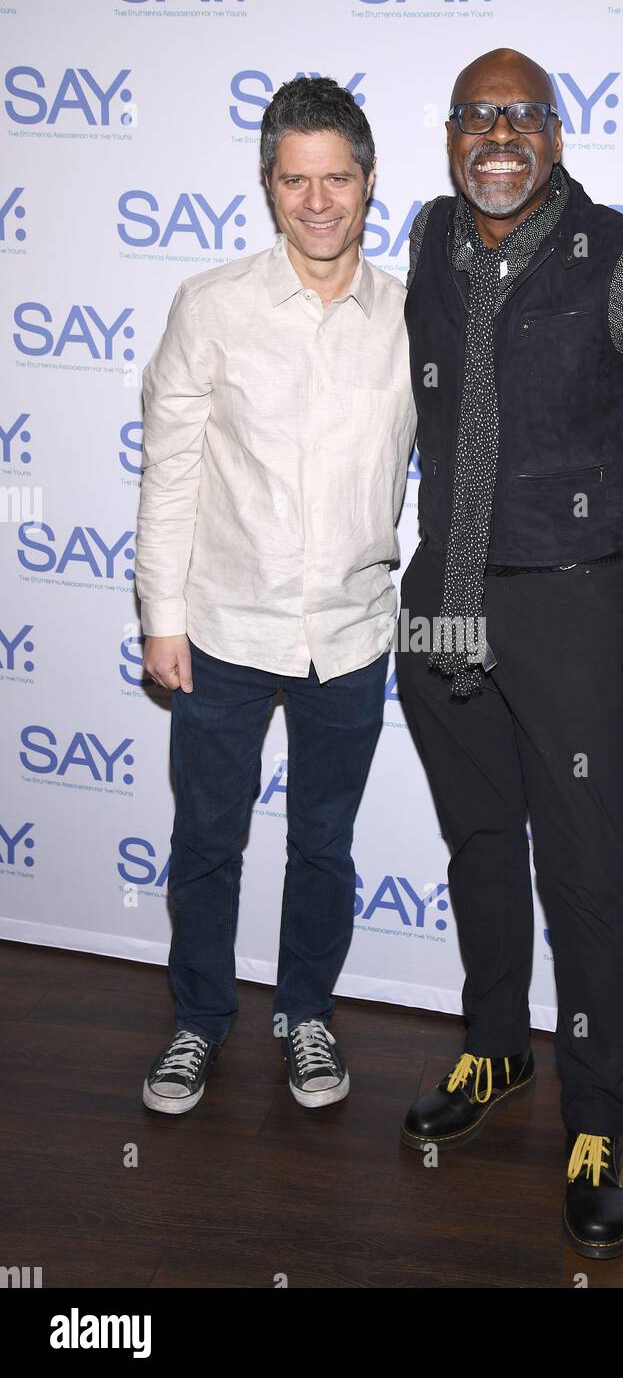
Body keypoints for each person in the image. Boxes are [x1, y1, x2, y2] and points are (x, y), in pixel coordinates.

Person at [395, 48, 623, 1258]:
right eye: (476, 115)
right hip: (439, 596)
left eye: (520, 116)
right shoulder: (429, 235)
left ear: (556, 135)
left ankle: (596, 1119)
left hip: (578, 605)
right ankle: (494, 1048)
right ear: (448, 136)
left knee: (581, 868)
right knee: (479, 841)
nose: (497, 135)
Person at [134, 77, 416, 1116]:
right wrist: (161, 615)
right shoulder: (211, 307)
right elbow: (168, 470)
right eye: (295, 180)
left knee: (322, 843)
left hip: (351, 633)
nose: (316, 200)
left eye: (335, 177)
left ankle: (306, 1016)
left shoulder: (410, 316)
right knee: (208, 839)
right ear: (268, 186)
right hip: (221, 629)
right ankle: (199, 1022)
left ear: (368, 181)